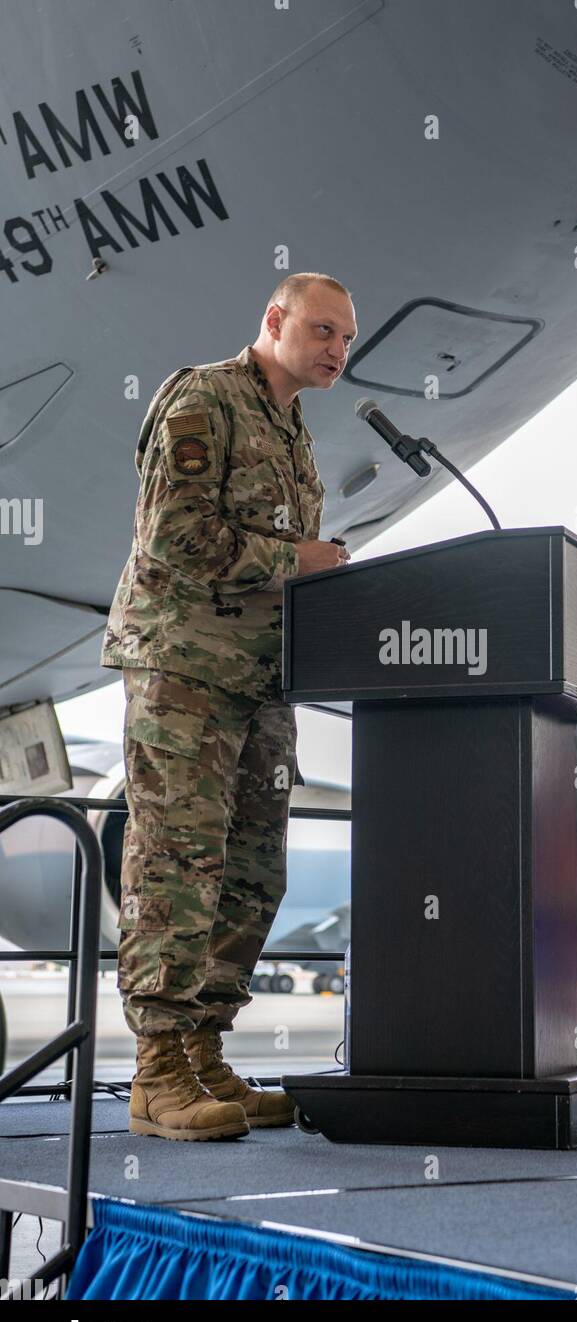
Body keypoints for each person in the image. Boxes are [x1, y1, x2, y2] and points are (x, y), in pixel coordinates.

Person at [100, 272, 358, 1139]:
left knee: (251, 875)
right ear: (275, 320)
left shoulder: (293, 432)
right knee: (178, 868)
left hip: (260, 683)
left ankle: (205, 1051)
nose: (337, 350)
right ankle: (157, 1073)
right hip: (184, 675)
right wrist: (300, 560)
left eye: (347, 339)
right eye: (322, 330)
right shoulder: (201, 399)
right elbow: (171, 539)